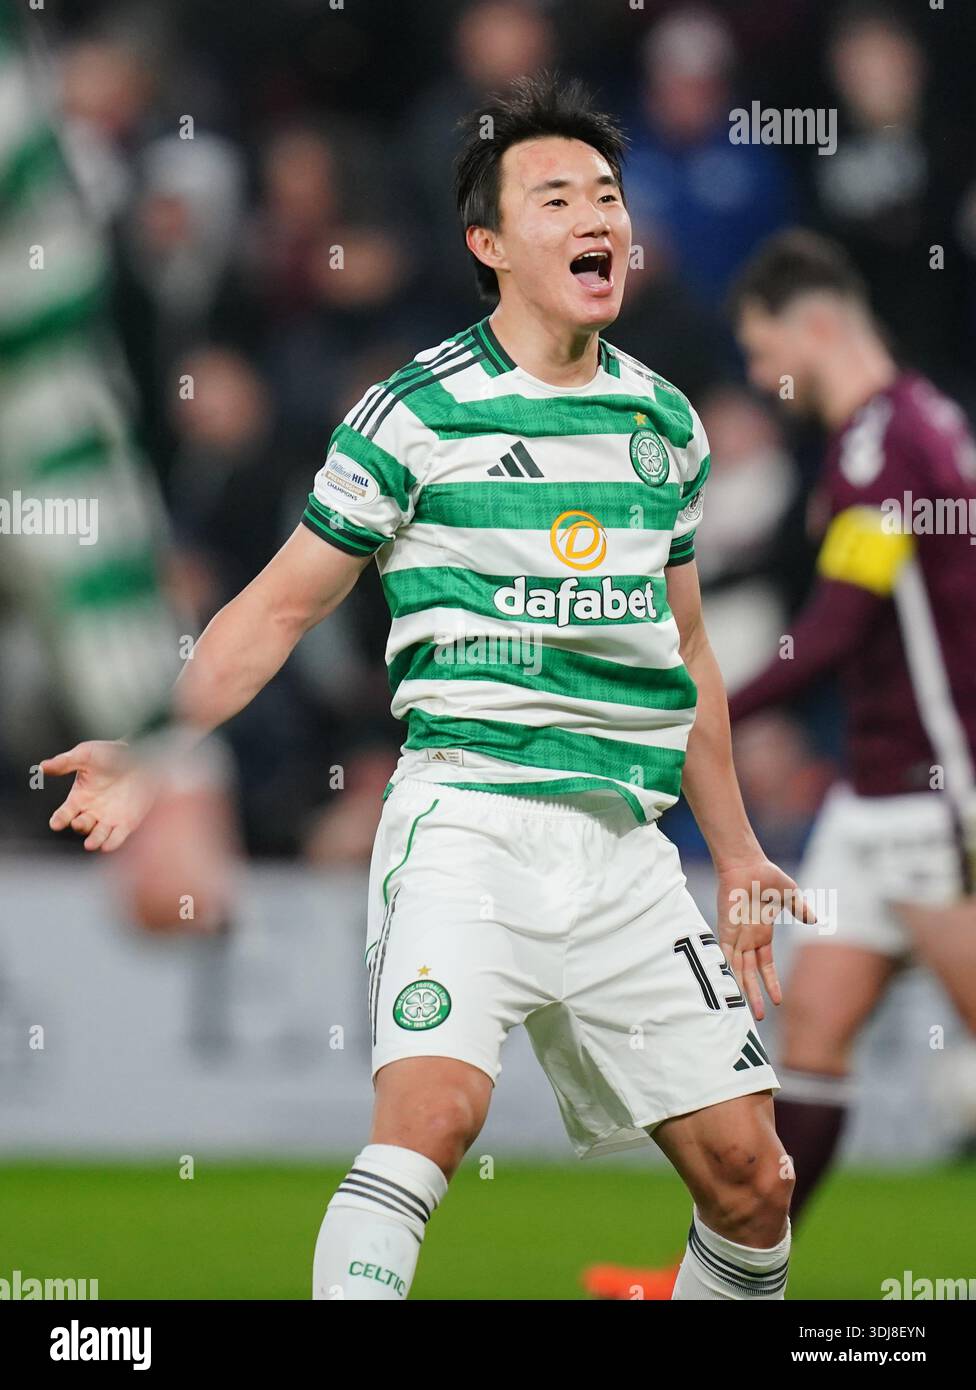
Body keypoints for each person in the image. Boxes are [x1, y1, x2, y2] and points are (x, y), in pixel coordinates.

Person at [43, 74, 808, 1302]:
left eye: (605, 195)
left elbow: (689, 655)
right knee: (433, 1116)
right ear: (490, 245)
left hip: (625, 846)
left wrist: (737, 851)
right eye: (554, 197)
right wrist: (149, 746)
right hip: (469, 824)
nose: (593, 216)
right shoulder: (414, 413)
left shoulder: (663, 424)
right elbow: (280, 604)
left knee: (753, 1182)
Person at [587, 226, 976, 1299]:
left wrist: (699, 705)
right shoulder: (919, 425)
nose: (763, 378)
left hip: (932, 794)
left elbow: (839, 626)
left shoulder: (882, 446)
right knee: (808, 1039)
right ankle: (707, 1281)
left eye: (764, 353)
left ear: (814, 325)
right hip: (878, 790)